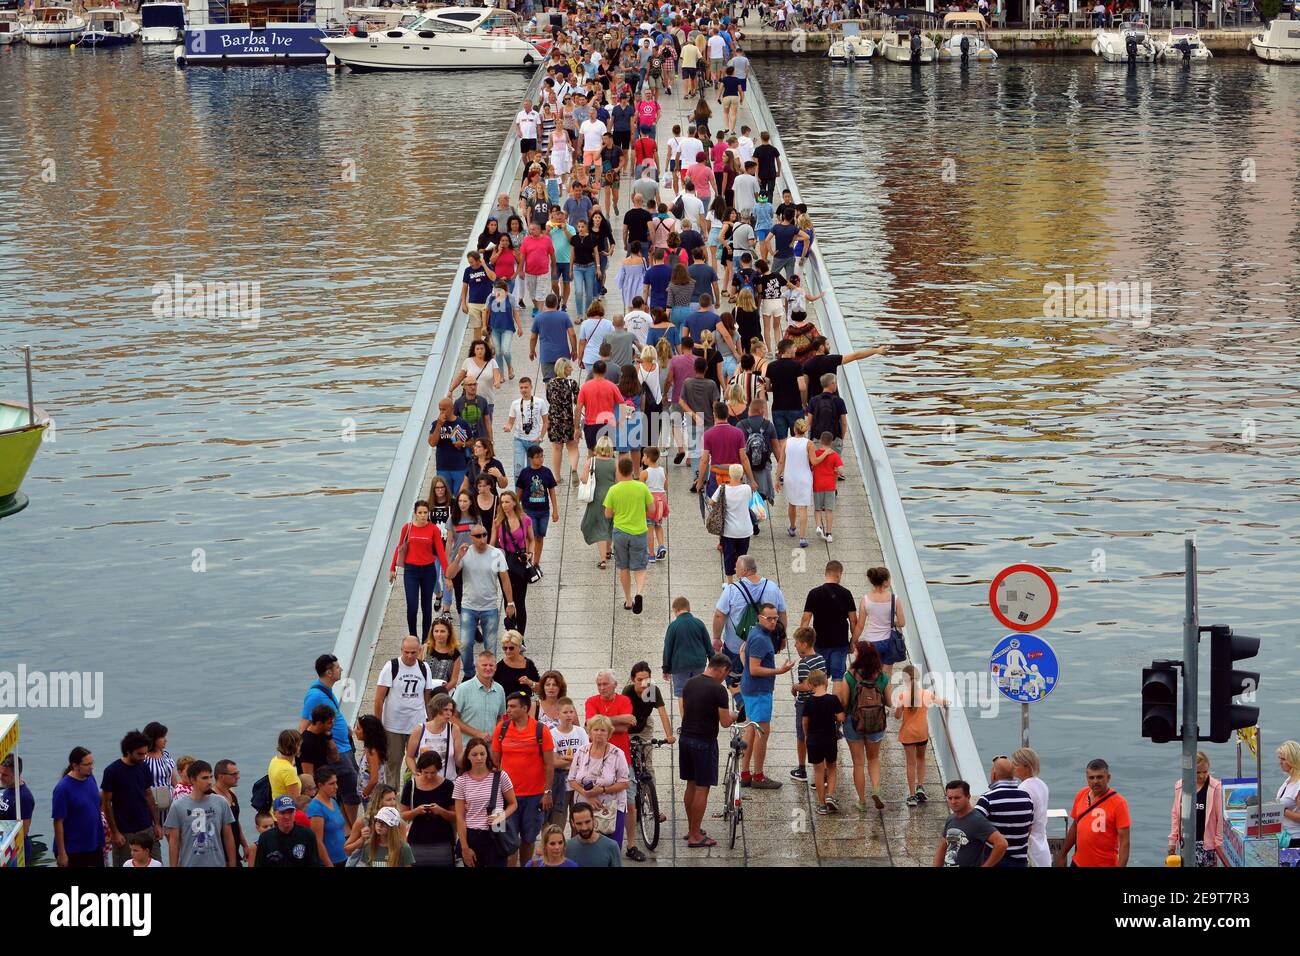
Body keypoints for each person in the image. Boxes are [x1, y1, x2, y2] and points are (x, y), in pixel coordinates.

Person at [491, 690, 556, 866]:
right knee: (509, 842)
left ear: (525, 708)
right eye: (507, 706)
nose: (508, 710)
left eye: (512, 707)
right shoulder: (502, 728)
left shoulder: (541, 730)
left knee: (528, 839)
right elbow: (495, 763)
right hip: (507, 796)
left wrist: (547, 792)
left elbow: (549, 764)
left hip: (534, 796)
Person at [679, 654, 737, 848]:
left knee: (691, 784)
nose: (724, 678)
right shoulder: (718, 690)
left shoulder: (689, 683)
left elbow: (688, 710)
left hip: (685, 739)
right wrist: (737, 715)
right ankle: (695, 835)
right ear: (722, 669)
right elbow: (725, 722)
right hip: (704, 742)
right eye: (726, 674)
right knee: (702, 788)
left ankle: (691, 828)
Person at [297, 653, 359, 826]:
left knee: (350, 786)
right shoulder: (315, 695)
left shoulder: (326, 690)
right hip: (338, 748)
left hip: (343, 746)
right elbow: (303, 725)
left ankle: (348, 825)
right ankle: (351, 827)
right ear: (329, 673)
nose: (341, 669)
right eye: (338, 667)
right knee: (350, 788)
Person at [446, 523, 514, 673]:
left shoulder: (496, 553)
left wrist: (510, 603)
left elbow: (505, 580)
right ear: (471, 538)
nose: (482, 539)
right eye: (478, 536)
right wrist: (458, 558)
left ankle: (489, 675)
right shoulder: (465, 553)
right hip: (468, 607)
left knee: (490, 645)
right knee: (465, 644)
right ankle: (469, 673)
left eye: (484, 535)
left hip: (490, 607)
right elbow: (449, 574)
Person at [738, 601, 792, 789]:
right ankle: (758, 776)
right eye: (768, 618)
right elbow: (754, 669)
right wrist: (780, 671)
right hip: (759, 691)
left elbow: (744, 652)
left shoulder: (755, 632)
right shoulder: (761, 639)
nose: (773, 621)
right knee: (762, 732)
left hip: (750, 688)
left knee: (751, 729)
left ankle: (744, 773)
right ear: (760, 618)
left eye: (775, 618)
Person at [374, 635, 436, 788]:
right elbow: (379, 699)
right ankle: (392, 799)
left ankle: (412, 795)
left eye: (413, 652)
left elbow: (427, 697)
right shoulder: (391, 667)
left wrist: (431, 722)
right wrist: (378, 726)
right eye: (406, 652)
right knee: (392, 764)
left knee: (416, 764)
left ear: (419, 651)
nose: (409, 656)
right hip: (393, 726)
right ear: (401, 650)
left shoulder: (424, 668)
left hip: (416, 724)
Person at [568, 715, 633, 857]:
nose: (599, 733)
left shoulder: (617, 754)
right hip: (584, 809)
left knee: (610, 850)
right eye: (595, 729)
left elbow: (625, 782)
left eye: (603, 730)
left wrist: (602, 789)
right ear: (590, 732)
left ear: (609, 734)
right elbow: (572, 780)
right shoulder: (581, 751)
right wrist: (587, 795)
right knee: (585, 850)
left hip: (610, 809)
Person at [837, 640, 891, 812]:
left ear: (859, 656)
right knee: (874, 759)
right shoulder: (882, 677)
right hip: (876, 723)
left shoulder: (850, 676)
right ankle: (875, 790)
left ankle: (861, 801)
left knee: (858, 763)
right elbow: (889, 702)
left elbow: (844, 702)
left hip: (854, 723)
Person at [389, 500, 450, 645]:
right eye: (420, 513)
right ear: (415, 514)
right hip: (411, 571)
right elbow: (400, 547)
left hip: (429, 570)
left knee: (426, 606)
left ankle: (425, 640)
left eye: (425, 513)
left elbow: (441, 553)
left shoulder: (433, 529)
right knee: (412, 605)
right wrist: (392, 568)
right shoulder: (407, 528)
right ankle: (413, 637)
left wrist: (448, 575)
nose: (423, 516)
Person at [100, 729, 162, 867]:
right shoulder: (112, 771)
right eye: (140, 754)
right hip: (125, 832)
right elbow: (106, 803)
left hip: (147, 828)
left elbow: (149, 795)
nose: (143, 757)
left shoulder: (144, 767)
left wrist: (157, 824)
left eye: (145, 753)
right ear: (128, 751)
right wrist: (114, 832)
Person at [1055, 758, 1131, 867]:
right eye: (1091, 777)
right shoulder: (1081, 794)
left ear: (1108, 778)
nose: (1095, 781)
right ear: (1087, 778)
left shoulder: (1119, 803)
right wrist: (1062, 855)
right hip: (1078, 863)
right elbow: (1075, 827)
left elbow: (1125, 843)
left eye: (1100, 777)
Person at [454, 736, 516, 869]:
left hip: (497, 832)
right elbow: (460, 816)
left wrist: (502, 816)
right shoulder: (461, 781)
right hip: (472, 835)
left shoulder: (500, 776)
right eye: (474, 754)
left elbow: (513, 803)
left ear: (487, 755)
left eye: (482, 754)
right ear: (468, 757)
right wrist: (465, 848)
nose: (479, 758)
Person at [604, 455, 654, 613]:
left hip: (620, 533)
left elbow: (607, 514)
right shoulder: (641, 487)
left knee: (623, 567)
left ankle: (628, 600)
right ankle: (639, 592)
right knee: (640, 567)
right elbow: (652, 510)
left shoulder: (613, 490)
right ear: (633, 470)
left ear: (619, 471)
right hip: (639, 531)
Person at [164, 760, 237, 868]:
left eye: (210, 777)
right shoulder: (178, 806)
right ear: (192, 780)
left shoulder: (221, 802)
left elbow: (228, 837)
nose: (209, 782)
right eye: (204, 778)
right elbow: (174, 842)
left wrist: (232, 864)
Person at [800, 560, 857, 687]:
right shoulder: (846, 593)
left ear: (826, 573)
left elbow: (805, 619)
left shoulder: (814, 593)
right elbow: (853, 620)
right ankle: (836, 705)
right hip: (840, 642)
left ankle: (821, 703)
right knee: (838, 677)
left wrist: (802, 643)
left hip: (819, 642)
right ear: (839, 574)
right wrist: (853, 641)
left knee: (819, 677)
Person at [1167, 750, 1226, 867]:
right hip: (1185, 844)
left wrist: (1218, 846)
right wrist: (1172, 841)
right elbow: (1175, 815)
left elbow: (1220, 819)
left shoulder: (1215, 788)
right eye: (1198, 772)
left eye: (1205, 771)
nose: (1202, 776)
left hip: (1207, 847)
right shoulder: (1180, 786)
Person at [400, 751, 457, 868]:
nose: (429, 776)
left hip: (443, 842)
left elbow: (456, 815)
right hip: (416, 841)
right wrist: (416, 811)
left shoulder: (448, 786)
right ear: (420, 770)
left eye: (433, 773)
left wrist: (441, 811)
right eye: (426, 772)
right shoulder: (411, 786)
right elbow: (402, 815)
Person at [975, 756, 1034, 867]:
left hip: (994, 861)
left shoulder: (987, 799)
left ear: (994, 774)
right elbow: (1029, 829)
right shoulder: (1027, 798)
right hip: (1020, 862)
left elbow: (972, 826)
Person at [933, 780, 1008, 867]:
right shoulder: (951, 818)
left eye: (957, 798)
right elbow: (942, 847)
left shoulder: (977, 820)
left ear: (968, 797)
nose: (953, 802)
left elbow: (1001, 844)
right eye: (950, 798)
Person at [801, 670, 844, 814]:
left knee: (818, 772)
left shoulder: (808, 702)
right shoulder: (833, 699)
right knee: (831, 767)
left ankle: (821, 804)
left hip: (814, 740)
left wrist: (807, 736)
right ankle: (830, 795)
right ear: (826, 682)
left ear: (810, 684)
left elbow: (805, 722)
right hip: (829, 739)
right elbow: (841, 717)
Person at [53, 747, 104, 868]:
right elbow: (58, 822)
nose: (91, 767)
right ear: (75, 765)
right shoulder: (63, 789)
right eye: (87, 764)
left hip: (94, 844)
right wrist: (62, 853)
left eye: (92, 763)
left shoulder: (90, 778)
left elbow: (95, 803)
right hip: (73, 849)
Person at [492, 491, 535, 634]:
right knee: (508, 599)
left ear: (514, 503)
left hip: (520, 562)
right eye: (502, 502)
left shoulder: (525, 519)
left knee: (520, 600)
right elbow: (492, 544)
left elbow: (531, 539)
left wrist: (530, 554)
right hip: (505, 562)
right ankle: (511, 631)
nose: (504, 505)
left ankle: (520, 636)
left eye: (507, 502)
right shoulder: (498, 522)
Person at [788, 626, 826, 785]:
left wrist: (794, 687)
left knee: (802, 736)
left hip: (805, 704)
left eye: (796, 643)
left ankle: (802, 768)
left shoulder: (804, 663)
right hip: (820, 702)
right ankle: (823, 772)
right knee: (818, 736)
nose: (795, 646)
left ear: (804, 644)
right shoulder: (821, 658)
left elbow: (806, 686)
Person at [662, 595, 713, 712]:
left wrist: (666, 669)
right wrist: (713, 661)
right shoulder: (699, 623)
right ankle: (698, 721)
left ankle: (686, 724)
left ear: (675, 609)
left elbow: (668, 648)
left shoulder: (673, 626)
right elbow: (708, 644)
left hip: (680, 666)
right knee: (697, 692)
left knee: (682, 694)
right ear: (688, 609)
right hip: (699, 664)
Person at [852, 566, 906, 674]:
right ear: (885, 582)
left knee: (872, 673)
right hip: (889, 641)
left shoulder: (866, 600)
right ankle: (885, 691)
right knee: (887, 675)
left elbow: (860, 626)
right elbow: (902, 623)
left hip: (872, 642)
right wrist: (892, 622)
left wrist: (853, 641)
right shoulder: (894, 599)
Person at [709, 462, 753, 583]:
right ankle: (742, 580)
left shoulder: (722, 488)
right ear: (742, 475)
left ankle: (729, 582)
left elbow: (711, 502)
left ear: (729, 475)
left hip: (728, 530)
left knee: (728, 556)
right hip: (745, 529)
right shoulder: (747, 488)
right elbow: (749, 501)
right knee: (742, 556)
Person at [547, 698, 587, 829]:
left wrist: (564, 757)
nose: (569, 715)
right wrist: (576, 758)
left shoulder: (580, 732)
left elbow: (586, 758)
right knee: (558, 822)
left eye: (571, 711)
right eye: (565, 712)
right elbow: (553, 762)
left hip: (578, 782)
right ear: (557, 714)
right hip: (560, 783)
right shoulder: (552, 734)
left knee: (579, 822)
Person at [580, 434, 618, 569]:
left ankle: (602, 559)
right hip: (611, 496)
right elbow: (619, 482)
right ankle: (608, 551)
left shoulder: (592, 461)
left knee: (599, 526)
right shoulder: (615, 462)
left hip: (596, 497)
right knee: (609, 523)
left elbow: (584, 479)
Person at [1010, 747, 1050, 867]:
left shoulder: (1024, 789)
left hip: (1030, 845)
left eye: (1016, 764)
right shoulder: (1041, 784)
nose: (1013, 767)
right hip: (1041, 841)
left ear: (1026, 766)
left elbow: (1025, 822)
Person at [452, 652, 507, 740]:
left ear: (495, 667)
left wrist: (497, 735)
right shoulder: (463, 689)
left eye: (491, 665)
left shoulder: (500, 690)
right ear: (476, 666)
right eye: (484, 665)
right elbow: (452, 717)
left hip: (491, 748)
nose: (488, 668)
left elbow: (501, 717)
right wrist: (476, 733)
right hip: (468, 747)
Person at [253, 795, 320, 867]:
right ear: (274, 813)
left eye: (290, 812)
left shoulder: (307, 835)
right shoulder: (265, 838)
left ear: (295, 812)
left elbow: (314, 863)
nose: (287, 816)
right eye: (282, 813)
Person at [777, 416, 813, 547]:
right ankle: (802, 538)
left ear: (794, 429)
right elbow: (813, 461)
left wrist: (777, 478)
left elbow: (781, 461)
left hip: (790, 477)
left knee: (791, 503)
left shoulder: (787, 442)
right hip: (804, 478)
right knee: (803, 507)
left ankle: (792, 528)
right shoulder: (809, 444)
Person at [429, 397, 471, 504]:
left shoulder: (462, 423)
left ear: (451, 408)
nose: (441, 412)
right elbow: (432, 443)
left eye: (444, 409)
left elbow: (473, 442)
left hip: (460, 467)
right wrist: (439, 425)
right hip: (443, 467)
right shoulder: (435, 424)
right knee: (443, 497)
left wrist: (463, 444)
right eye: (440, 409)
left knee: (461, 497)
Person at [304, 766, 348, 867]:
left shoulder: (333, 801)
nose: (336, 786)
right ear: (320, 785)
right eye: (331, 784)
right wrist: (329, 864)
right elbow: (318, 841)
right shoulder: (316, 808)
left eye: (336, 782)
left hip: (344, 858)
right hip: (330, 862)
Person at [545, 358, 581, 479]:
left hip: (555, 420)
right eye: (570, 367)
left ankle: (557, 476)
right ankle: (574, 469)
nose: (572, 369)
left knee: (556, 448)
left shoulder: (550, 384)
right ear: (564, 369)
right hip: (569, 419)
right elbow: (578, 402)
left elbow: (549, 399)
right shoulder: (572, 383)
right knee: (572, 446)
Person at [346, 805, 413, 868]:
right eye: (377, 821)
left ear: (393, 827)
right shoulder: (368, 846)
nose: (379, 825)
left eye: (384, 822)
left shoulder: (404, 848)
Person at [530, 294, 577, 383]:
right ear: (556, 304)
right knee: (564, 381)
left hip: (546, 355)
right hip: (563, 355)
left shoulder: (538, 318)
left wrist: (532, 351)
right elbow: (572, 334)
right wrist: (574, 350)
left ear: (545, 304)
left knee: (549, 382)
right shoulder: (564, 316)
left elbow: (533, 337)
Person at [212, 759, 249, 866]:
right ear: (221, 776)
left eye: (237, 773)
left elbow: (236, 822)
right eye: (233, 774)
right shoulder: (212, 798)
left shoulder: (231, 794)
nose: (238, 777)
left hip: (234, 854)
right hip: (220, 857)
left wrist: (245, 845)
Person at [0, 755, 34, 867]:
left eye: (5, 775)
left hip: (16, 851)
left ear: (15, 775)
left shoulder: (23, 798)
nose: (0, 777)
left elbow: (24, 830)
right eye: (0, 773)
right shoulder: (9, 787)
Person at [809, 430, 843, 542]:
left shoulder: (817, 453)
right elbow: (841, 471)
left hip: (817, 484)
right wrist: (836, 471)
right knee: (829, 510)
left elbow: (811, 465)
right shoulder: (834, 455)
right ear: (832, 442)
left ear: (820, 441)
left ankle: (819, 526)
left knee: (818, 508)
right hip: (830, 485)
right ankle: (829, 534)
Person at [565, 803, 622, 867]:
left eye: (587, 822)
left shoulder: (611, 847)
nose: (584, 827)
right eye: (579, 823)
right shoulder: (567, 847)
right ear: (572, 823)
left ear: (594, 819)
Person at [353, 714, 389, 804]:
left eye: (358, 728)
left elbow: (374, 779)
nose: (355, 731)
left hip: (371, 797)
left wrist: (365, 794)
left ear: (367, 732)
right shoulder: (370, 749)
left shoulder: (372, 752)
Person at [422, 615, 461, 689]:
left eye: (442, 631)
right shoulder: (425, 648)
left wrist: (441, 691)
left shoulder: (455, 653)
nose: (439, 634)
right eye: (436, 631)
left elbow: (454, 681)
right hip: (424, 689)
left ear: (449, 633)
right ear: (432, 632)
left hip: (444, 691)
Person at [1276, 740, 1300, 847]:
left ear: (1292, 760)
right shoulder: (1289, 780)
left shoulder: (1298, 784)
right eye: (1280, 758)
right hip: (1284, 835)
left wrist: (1281, 810)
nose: (1280, 762)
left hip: (1294, 839)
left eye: (1283, 759)